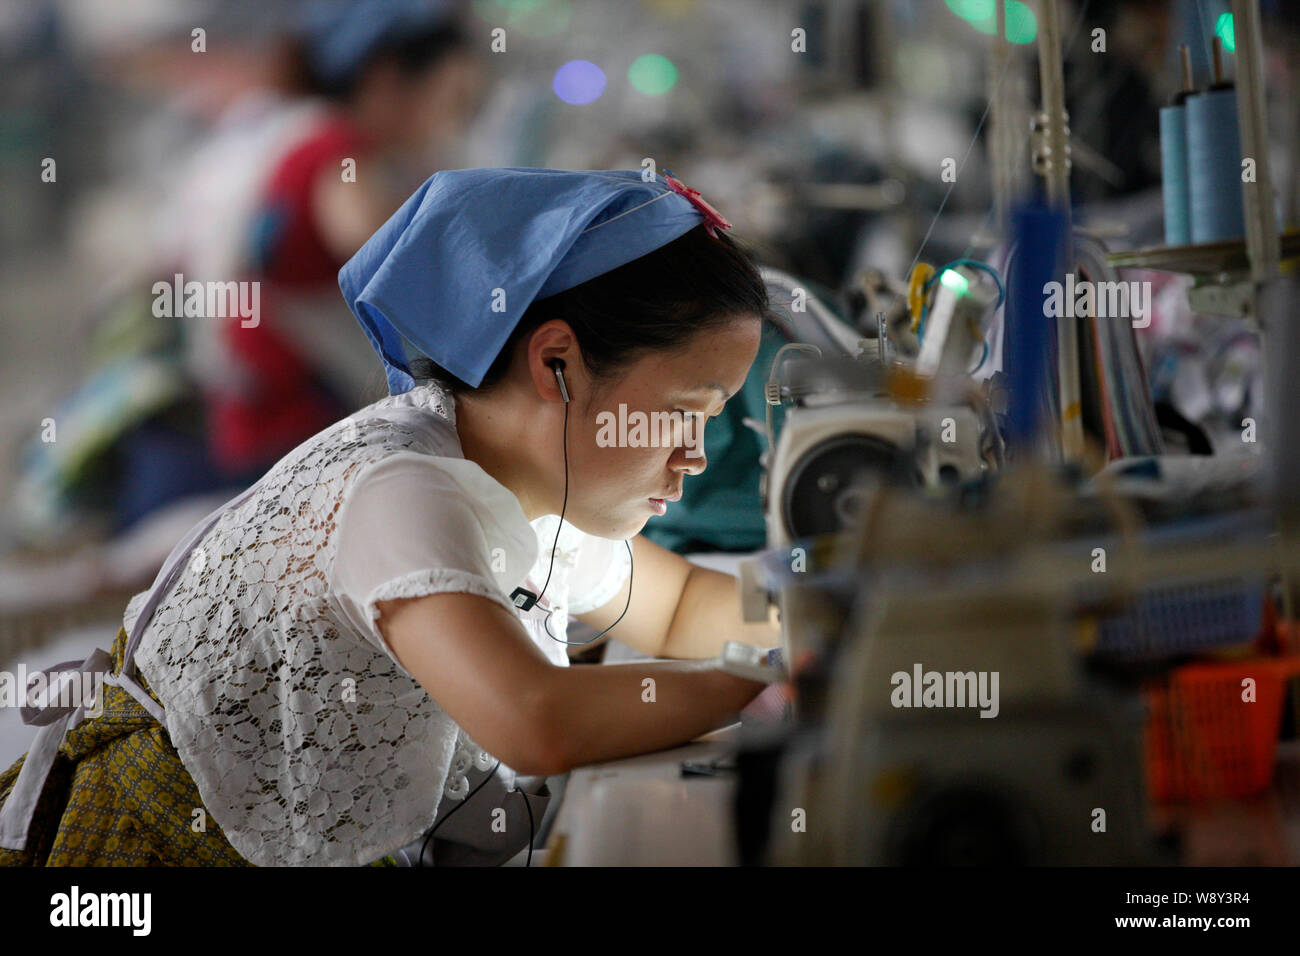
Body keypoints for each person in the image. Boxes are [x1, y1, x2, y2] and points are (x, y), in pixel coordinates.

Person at [0, 168, 781, 867]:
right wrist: (758, 681)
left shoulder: (530, 487)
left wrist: (822, 619)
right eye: (686, 413)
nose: (697, 456)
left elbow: (678, 608)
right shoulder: (400, 488)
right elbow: (536, 721)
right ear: (556, 364)